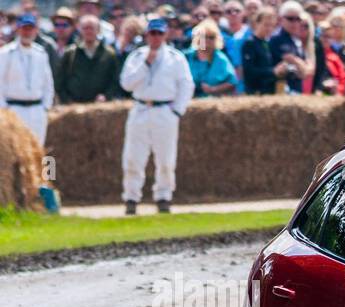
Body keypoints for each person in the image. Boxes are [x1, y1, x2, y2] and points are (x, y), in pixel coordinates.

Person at [118, 16, 193, 214]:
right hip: (141, 109)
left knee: (166, 159)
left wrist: (177, 110)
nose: (156, 37)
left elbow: (186, 85)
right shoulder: (136, 56)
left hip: (164, 111)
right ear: (146, 35)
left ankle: (163, 197)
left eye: (160, 33)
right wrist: (145, 64)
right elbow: (126, 83)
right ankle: (131, 198)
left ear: (165, 34)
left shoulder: (176, 58)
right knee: (133, 157)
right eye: (152, 33)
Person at [0, 14, 55, 146]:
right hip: (14, 108)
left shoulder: (41, 53)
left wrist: (45, 107)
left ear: (35, 30)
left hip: (36, 110)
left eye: (30, 28)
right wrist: (4, 109)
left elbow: (48, 83)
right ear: (18, 30)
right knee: (15, 150)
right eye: (24, 28)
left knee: (37, 149)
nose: (27, 32)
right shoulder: (6, 53)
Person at [56, 13, 119, 102]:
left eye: (92, 28)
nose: (88, 31)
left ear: (98, 30)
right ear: (80, 30)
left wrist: (106, 96)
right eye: (85, 28)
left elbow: (114, 80)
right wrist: (67, 100)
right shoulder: (70, 52)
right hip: (74, 107)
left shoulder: (109, 54)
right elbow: (60, 81)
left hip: (100, 107)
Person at [186, 17, 235, 96]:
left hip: (212, 101)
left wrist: (213, 89)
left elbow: (232, 82)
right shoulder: (187, 56)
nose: (207, 40)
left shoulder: (220, 58)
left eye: (211, 37)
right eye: (204, 36)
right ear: (197, 37)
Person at [240, 7, 276, 94]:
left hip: (268, 92)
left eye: (272, 25)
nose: (269, 29)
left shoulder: (267, 43)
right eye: (266, 25)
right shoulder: (250, 43)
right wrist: (273, 71)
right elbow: (248, 72)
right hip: (255, 93)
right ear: (257, 23)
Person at [220, 1, 248, 92]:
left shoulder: (249, 33)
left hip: (246, 83)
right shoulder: (218, 35)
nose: (233, 13)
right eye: (228, 11)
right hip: (224, 83)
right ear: (224, 15)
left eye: (237, 10)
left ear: (244, 13)